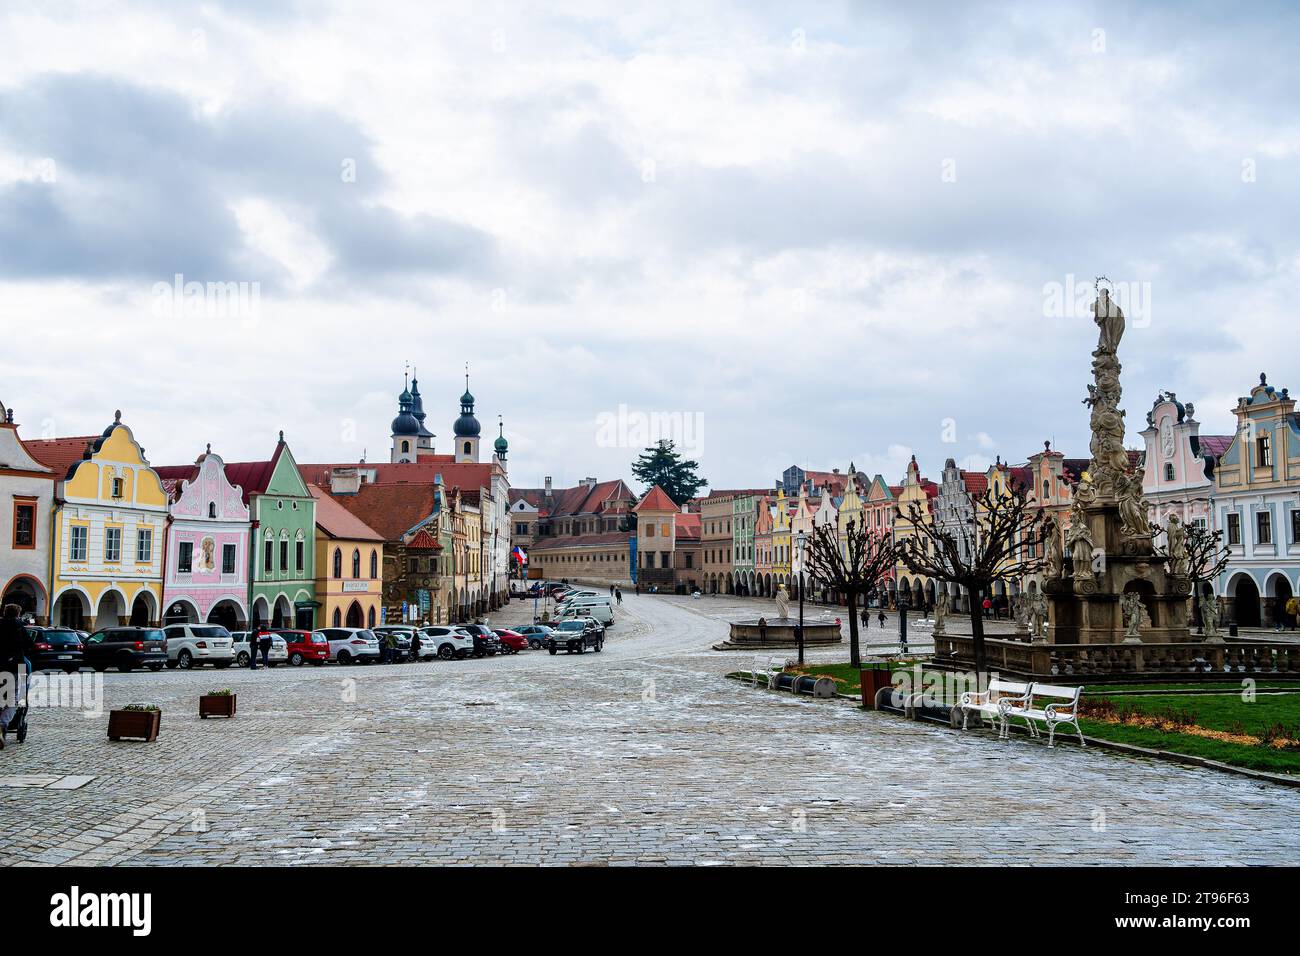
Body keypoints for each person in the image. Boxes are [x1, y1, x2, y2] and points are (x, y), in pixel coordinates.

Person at [1, 604, 33, 748]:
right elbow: (30, 645)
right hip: (15, 667)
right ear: (18, 614)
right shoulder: (20, 627)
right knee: (13, 698)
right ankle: (2, 726)